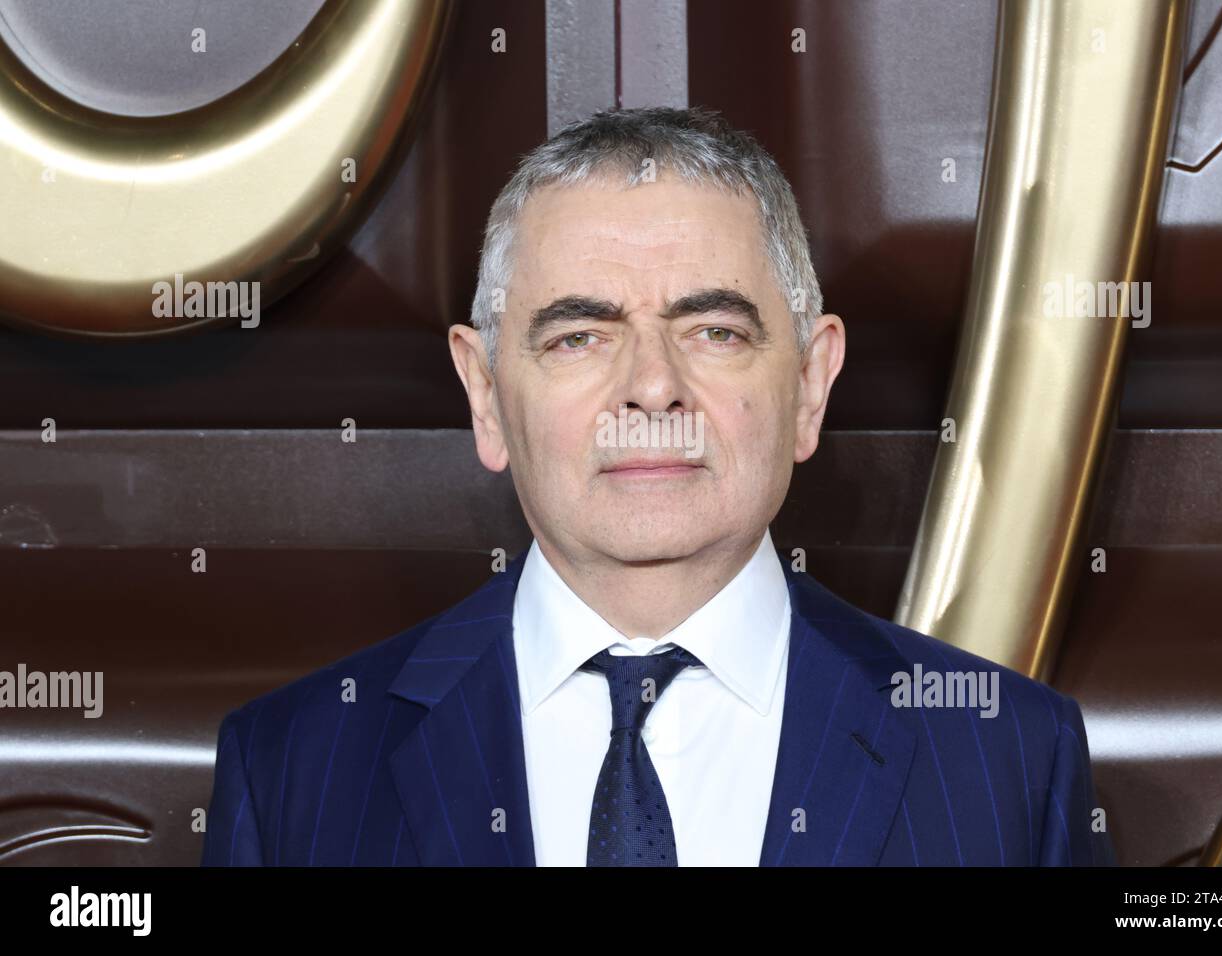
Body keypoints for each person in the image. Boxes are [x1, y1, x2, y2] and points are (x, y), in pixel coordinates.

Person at [201, 106, 1114, 866]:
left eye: (714, 329)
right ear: (484, 394)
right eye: (579, 336)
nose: (651, 384)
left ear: (809, 383)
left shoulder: (1010, 759)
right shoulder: (295, 764)